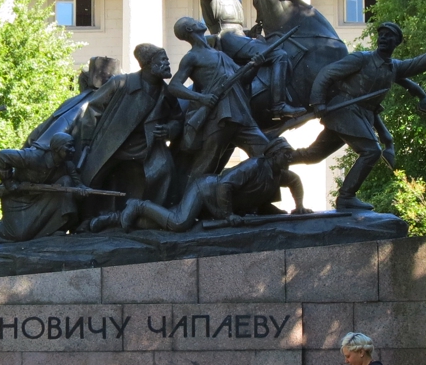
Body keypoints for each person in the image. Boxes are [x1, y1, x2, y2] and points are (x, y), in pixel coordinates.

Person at [291, 23, 426, 210]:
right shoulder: (361, 59)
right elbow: (327, 74)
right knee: (371, 151)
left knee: (314, 154)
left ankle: (276, 160)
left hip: (360, 117)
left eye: (389, 36)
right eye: (382, 35)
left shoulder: (393, 68)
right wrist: (318, 102)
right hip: (344, 110)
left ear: (396, 42)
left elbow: (419, 63)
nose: (384, 39)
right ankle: (346, 197)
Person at [87, 137, 310, 232]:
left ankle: (111, 219)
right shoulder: (253, 166)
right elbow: (224, 186)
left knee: (159, 224)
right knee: (179, 223)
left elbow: (296, 182)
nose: (289, 158)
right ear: (273, 154)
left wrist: (299, 206)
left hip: (217, 203)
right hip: (206, 191)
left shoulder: (278, 173)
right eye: (286, 154)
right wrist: (228, 215)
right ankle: (138, 205)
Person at [72, 43, 182, 205]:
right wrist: (87, 141)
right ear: (148, 64)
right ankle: (87, 219)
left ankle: (151, 217)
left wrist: (168, 130)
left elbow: (178, 118)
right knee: (92, 178)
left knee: (164, 172)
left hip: (147, 145)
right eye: (162, 60)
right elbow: (94, 108)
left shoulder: (167, 93)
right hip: (112, 143)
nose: (167, 64)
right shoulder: (121, 83)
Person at [167, 17, 270, 180]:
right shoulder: (192, 57)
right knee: (205, 165)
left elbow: (242, 79)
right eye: (194, 21)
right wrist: (201, 98)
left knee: (267, 152)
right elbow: (174, 86)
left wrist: (255, 66)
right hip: (219, 116)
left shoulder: (219, 54)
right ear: (189, 30)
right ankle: (189, 202)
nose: (200, 21)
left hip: (240, 113)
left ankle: (243, 190)